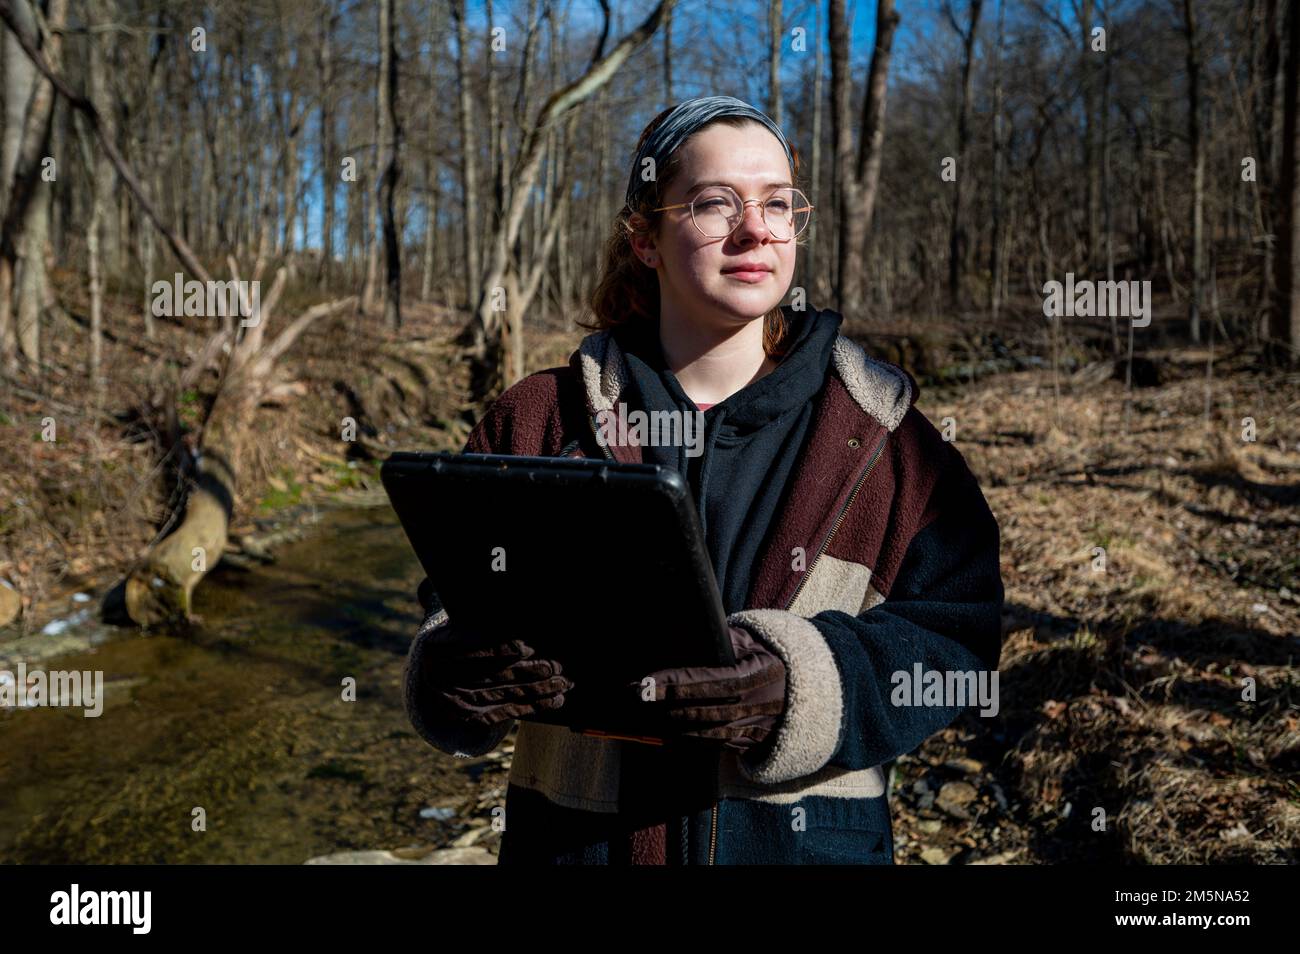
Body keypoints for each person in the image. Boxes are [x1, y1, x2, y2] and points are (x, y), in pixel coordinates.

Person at [403, 95, 1004, 865]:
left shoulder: (888, 441)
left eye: (779, 203)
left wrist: (803, 687)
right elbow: (451, 603)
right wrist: (449, 676)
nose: (756, 229)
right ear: (645, 238)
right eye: (716, 202)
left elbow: (959, 638)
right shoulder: (536, 423)